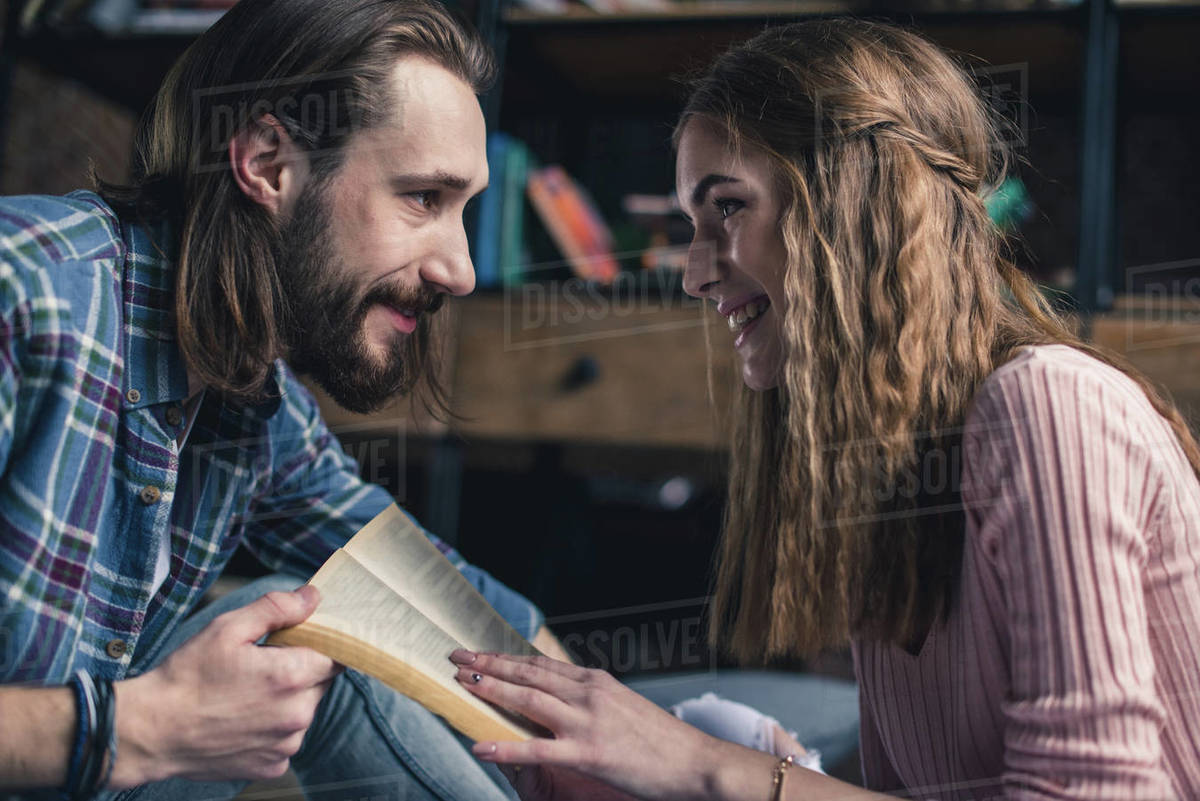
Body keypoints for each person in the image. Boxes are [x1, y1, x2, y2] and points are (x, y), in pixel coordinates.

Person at [448, 18, 1200, 801]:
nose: (694, 275)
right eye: (689, 227)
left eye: (729, 208)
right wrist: (764, 770)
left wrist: (708, 766)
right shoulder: (886, 461)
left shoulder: (1047, 405)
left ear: (858, 201)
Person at [0, 2, 565, 800]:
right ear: (267, 163)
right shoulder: (22, 294)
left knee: (331, 643)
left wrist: (629, 742)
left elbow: (431, 591)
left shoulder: (253, 402)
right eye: (422, 198)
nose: (461, 270)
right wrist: (138, 728)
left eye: (463, 209)